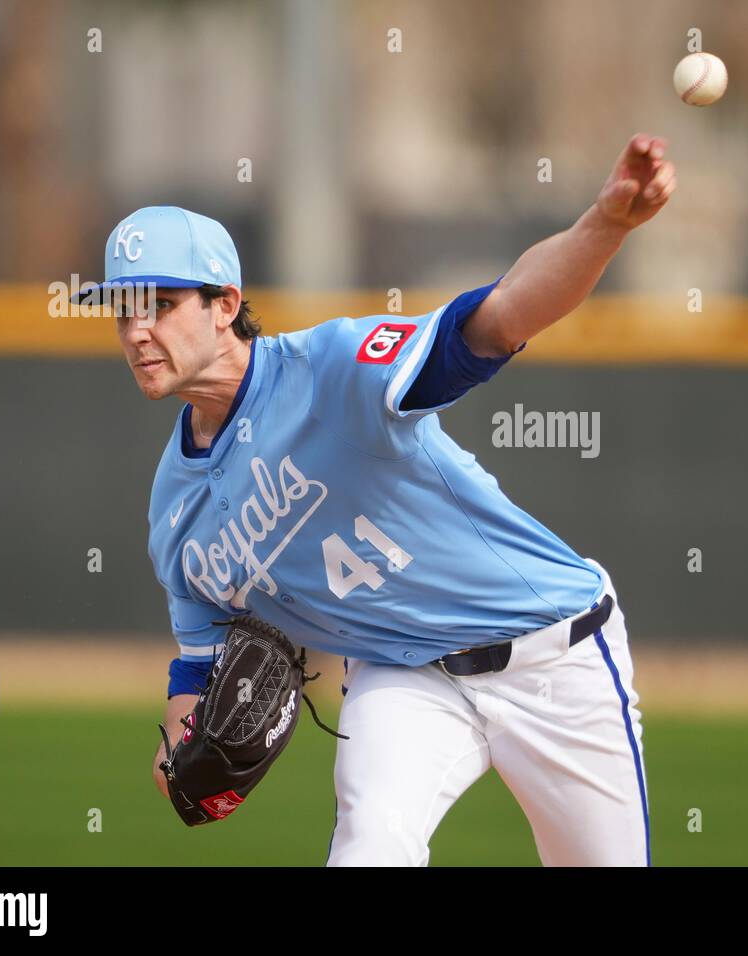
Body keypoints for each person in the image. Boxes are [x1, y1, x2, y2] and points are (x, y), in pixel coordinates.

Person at [87, 134, 676, 865]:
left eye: (161, 304)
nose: (137, 330)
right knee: (369, 850)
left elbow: (501, 318)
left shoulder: (334, 369)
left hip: (555, 653)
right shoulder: (175, 516)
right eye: (122, 310)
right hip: (402, 677)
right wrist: (183, 763)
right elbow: (195, 676)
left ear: (224, 305)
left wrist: (606, 225)